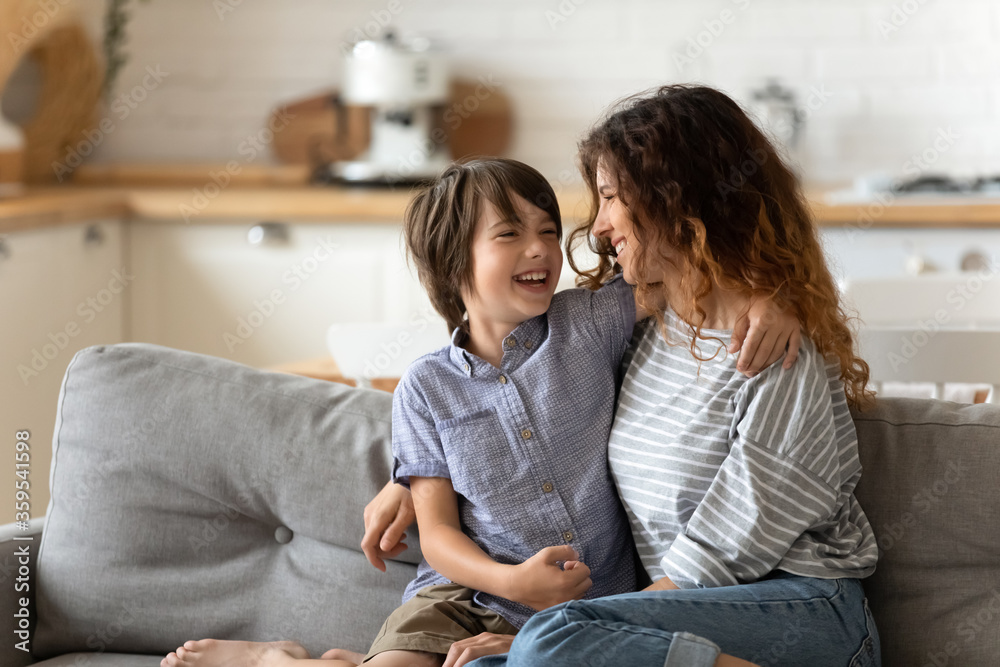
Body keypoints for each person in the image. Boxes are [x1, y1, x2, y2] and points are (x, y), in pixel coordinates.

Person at [160, 157, 800, 667]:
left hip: (588, 600)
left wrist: (773, 297)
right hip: (462, 596)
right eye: (510, 234)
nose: (540, 249)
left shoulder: (589, 321)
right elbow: (437, 536)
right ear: (453, 258)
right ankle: (279, 659)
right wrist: (509, 582)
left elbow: (697, 275)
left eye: (548, 230)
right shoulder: (426, 389)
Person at [369, 85, 882, 667]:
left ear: (681, 203)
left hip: (801, 610)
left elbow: (718, 556)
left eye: (611, 197)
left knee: (541, 646)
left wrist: (569, 632)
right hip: (673, 616)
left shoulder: (776, 357)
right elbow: (500, 405)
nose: (596, 226)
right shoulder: (643, 336)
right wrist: (413, 477)